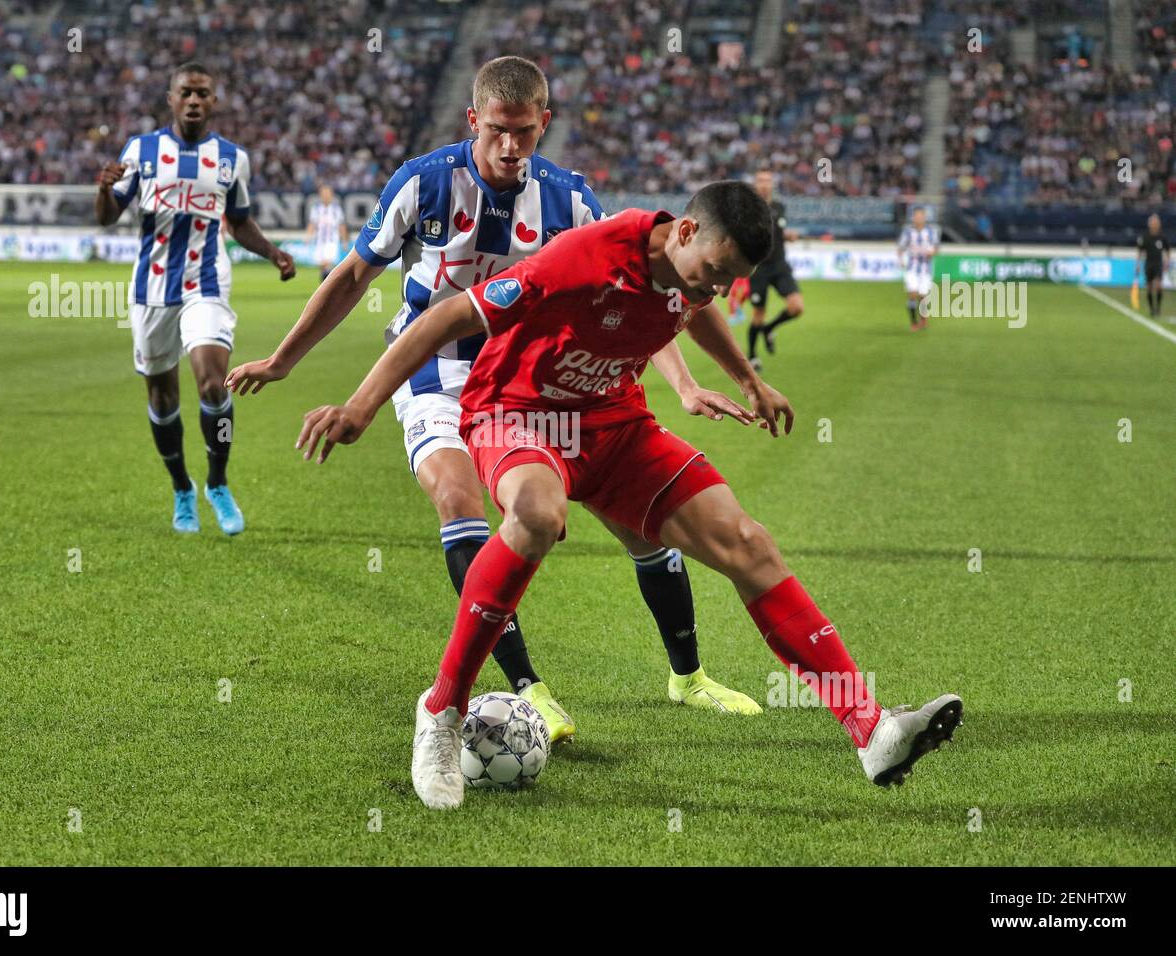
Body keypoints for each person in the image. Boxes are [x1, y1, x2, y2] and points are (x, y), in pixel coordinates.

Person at [295, 180, 963, 810]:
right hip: (519, 414)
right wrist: (359, 405)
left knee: (748, 544)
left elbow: (693, 310)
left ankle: (871, 731)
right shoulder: (583, 257)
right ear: (685, 230)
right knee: (536, 514)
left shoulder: (694, 271)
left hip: (614, 426)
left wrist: (746, 380)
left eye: (730, 280)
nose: (717, 288)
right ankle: (442, 711)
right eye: (713, 269)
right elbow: (446, 318)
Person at [226, 56, 761, 742]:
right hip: (437, 372)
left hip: (535, 382)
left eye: (525, 133)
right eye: (499, 132)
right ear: (474, 121)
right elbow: (354, 274)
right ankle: (527, 686)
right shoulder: (424, 183)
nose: (511, 147)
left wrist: (685, 384)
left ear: (545, 123)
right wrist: (282, 361)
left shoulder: (570, 200)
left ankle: (688, 676)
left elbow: (640, 291)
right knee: (458, 499)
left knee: (637, 524)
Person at [94, 62, 296, 535]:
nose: (194, 101)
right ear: (170, 98)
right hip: (152, 288)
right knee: (162, 396)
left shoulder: (231, 159)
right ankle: (182, 487)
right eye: (185, 92)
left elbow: (240, 220)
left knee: (212, 383)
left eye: (202, 93)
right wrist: (102, 188)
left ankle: (217, 483)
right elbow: (106, 217)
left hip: (206, 282)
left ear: (213, 102)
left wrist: (272, 253)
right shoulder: (141, 151)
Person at [745, 170, 803, 370]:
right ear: (755, 183)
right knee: (757, 315)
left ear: (772, 184)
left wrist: (788, 236)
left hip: (779, 266)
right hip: (758, 268)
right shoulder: (748, 209)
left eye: (768, 181)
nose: (764, 184)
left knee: (796, 307)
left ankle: (769, 329)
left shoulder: (779, 207)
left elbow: (778, 231)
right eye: (760, 180)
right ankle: (752, 356)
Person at [898, 207, 940, 330]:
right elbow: (901, 248)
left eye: (921, 216)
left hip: (926, 268)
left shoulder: (931, 232)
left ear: (924, 218)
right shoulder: (908, 232)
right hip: (912, 267)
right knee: (912, 293)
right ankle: (913, 322)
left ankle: (923, 319)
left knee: (923, 296)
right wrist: (901, 260)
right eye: (916, 216)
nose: (918, 218)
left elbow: (936, 248)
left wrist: (932, 253)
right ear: (913, 218)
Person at [306, 184, 347, 285]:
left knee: (327, 262)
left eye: (327, 193)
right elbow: (312, 223)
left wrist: (344, 240)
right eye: (323, 193)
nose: (325, 196)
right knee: (322, 265)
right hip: (319, 241)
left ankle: (327, 285)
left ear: (331, 195)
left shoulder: (336, 209)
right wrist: (308, 236)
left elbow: (341, 225)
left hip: (332, 241)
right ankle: (325, 285)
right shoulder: (316, 209)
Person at [1136, 214, 1169, 318]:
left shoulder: (1162, 237)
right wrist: (1138, 264)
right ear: (1149, 224)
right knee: (1149, 288)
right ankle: (1152, 309)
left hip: (1158, 264)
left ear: (1159, 224)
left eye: (1156, 222)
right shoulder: (1145, 237)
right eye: (1153, 222)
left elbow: (1167, 250)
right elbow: (1140, 252)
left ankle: (1158, 308)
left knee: (1158, 286)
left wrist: (1167, 261)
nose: (1155, 224)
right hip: (1148, 264)